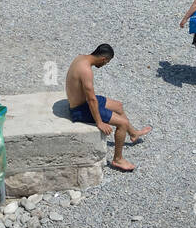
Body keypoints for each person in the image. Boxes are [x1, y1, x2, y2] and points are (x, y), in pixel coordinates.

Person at [65, 45, 152, 173]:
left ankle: (133, 134)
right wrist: (99, 122)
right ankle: (118, 159)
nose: (106, 64)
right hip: (80, 109)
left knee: (118, 106)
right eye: (107, 62)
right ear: (103, 59)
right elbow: (91, 100)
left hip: (82, 100)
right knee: (123, 123)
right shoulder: (86, 70)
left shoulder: (81, 58)